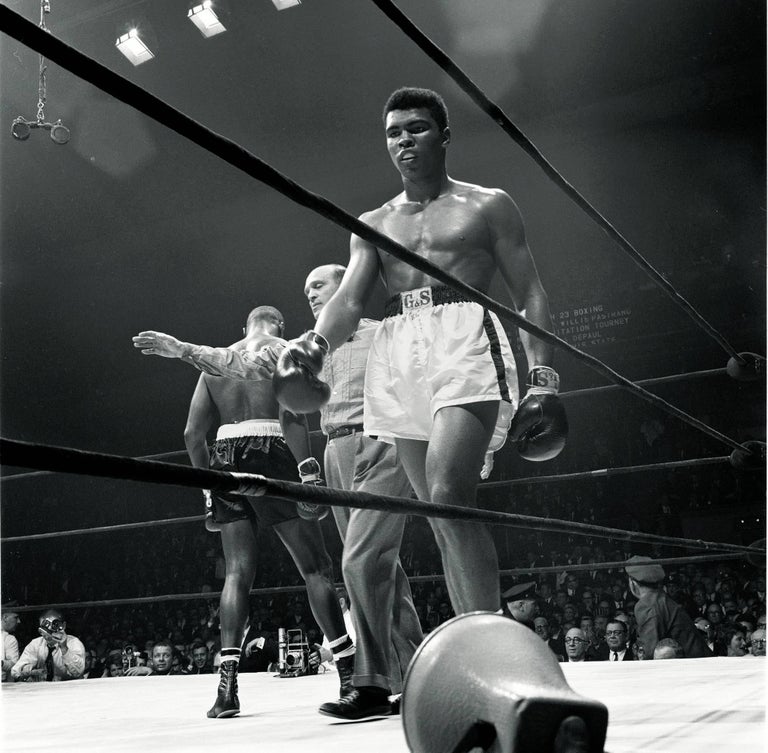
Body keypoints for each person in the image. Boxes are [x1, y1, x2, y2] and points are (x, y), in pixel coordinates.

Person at [274, 87, 565, 629]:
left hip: (465, 331)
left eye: (416, 128)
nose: (404, 140)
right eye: (393, 132)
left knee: (451, 489)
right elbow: (352, 298)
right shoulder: (375, 222)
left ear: (444, 135)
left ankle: (490, 636)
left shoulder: (488, 205)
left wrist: (542, 378)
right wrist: (312, 345)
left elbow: (530, 291)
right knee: (437, 510)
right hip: (396, 345)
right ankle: (473, 638)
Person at [135, 306, 353, 718]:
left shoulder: (215, 360)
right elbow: (291, 417)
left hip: (225, 455)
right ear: (280, 326)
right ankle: (347, 671)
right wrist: (307, 473)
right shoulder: (285, 352)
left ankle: (227, 688)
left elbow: (191, 434)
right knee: (316, 568)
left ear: (244, 328)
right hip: (273, 449)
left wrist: (208, 487)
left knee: (236, 572)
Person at [625, 556, 713, 659]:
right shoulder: (661, 598)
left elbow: (650, 653)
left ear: (632, 583)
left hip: (691, 667)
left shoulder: (647, 605)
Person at [11, 609, 85, 681]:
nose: (46, 635)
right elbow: (15, 671)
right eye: (43, 628)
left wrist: (64, 648)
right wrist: (27, 670)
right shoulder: (35, 644)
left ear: (63, 626)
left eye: (51, 628)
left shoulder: (74, 643)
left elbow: (78, 672)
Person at [1, 608, 20, 682]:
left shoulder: (9, 639)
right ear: (5, 617)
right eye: (16, 617)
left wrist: (1, 663)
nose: (18, 621)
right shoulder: (9, 639)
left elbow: (13, 664)